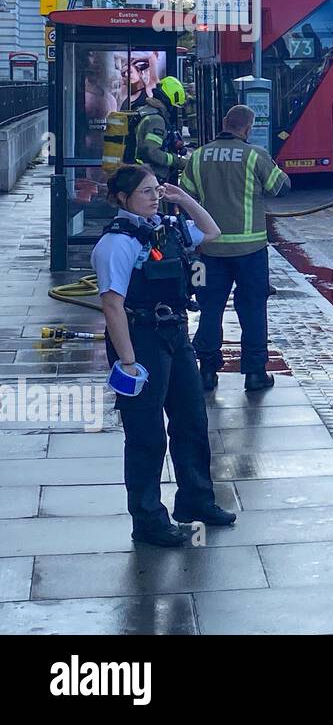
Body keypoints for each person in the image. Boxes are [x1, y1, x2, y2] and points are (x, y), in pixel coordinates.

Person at [92, 165, 235, 548]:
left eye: (157, 189)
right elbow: (112, 306)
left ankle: (195, 501)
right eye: (146, 191)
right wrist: (127, 361)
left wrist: (184, 199)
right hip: (140, 339)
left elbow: (211, 232)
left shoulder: (167, 227)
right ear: (123, 199)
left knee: (191, 419)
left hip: (175, 334)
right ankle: (149, 520)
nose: (155, 196)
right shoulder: (117, 243)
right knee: (147, 435)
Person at [181, 104, 290, 392]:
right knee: (253, 310)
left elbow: (185, 197)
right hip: (251, 252)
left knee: (209, 308)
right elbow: (281, 187)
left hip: (208, 252)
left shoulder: (199, 155)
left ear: (225, 122)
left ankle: (207, 371)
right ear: (247, 128)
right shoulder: (255, 155)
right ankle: (255, 373)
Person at [134, 75, 187, 184]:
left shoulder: (144, 111)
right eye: (174, 107)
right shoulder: (156, 120)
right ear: (169, 102)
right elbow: (152, 152)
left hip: (139, 174)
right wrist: (178, 161)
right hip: (148, 177)